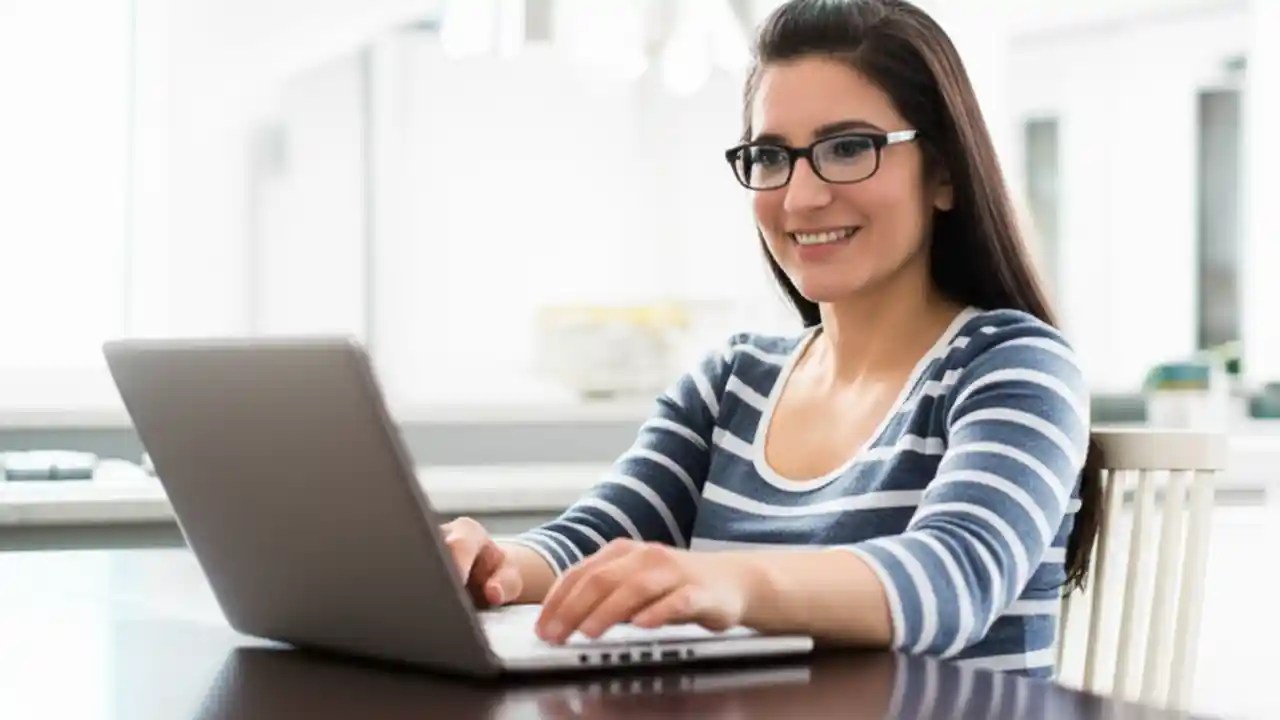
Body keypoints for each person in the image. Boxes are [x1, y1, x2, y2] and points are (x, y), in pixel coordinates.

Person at [442, 0, 1102, 678]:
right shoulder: (735, 384)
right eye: (770, 156)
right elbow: (595, 543)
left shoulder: (1013, 365)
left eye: (848, 148)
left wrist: (730, 584)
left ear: (943, 172)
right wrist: (491, 565)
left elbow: (954, 577)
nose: (800, 196)